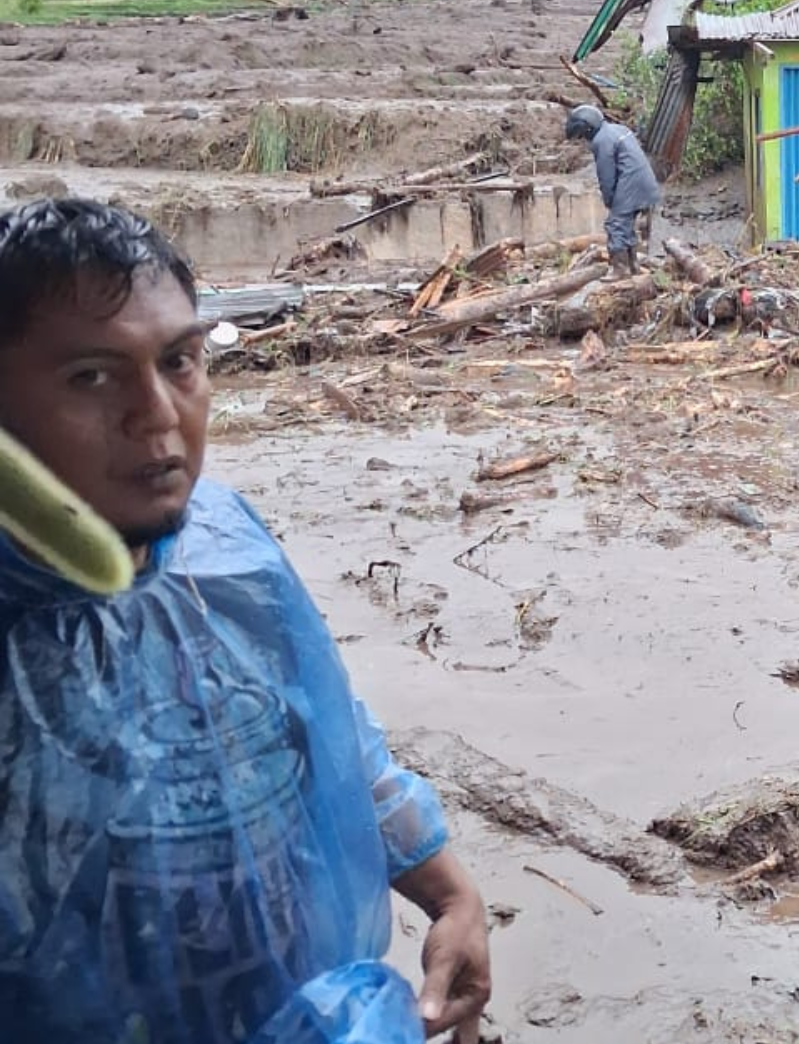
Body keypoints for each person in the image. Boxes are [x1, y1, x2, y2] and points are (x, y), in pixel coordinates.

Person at [0, 199, 492, 1044]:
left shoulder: (227, 543)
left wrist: (451, 892)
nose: (157, 414)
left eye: (180, 360)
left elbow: (331, 733)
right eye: (92, 375)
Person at [565, 103, 662, 281]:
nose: (583, 140)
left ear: (587, 128)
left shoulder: (601, 141)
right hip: (646, 182)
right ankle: (634, 266)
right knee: (626, 225)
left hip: (631, 183)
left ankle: (619, 269)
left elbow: (606, 175)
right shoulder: (617, 129)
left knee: (615, 224)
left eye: (581, 135)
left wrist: (609, 200)